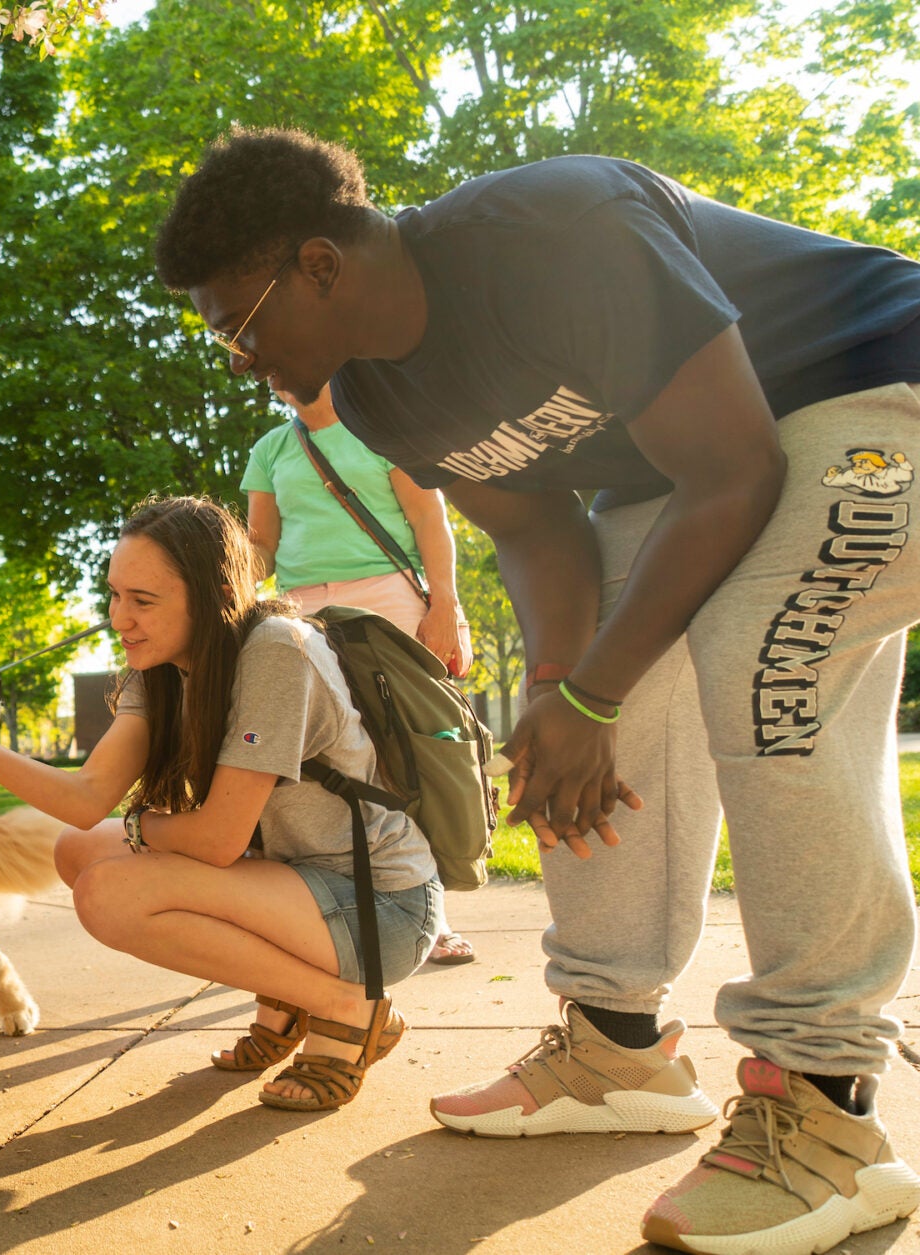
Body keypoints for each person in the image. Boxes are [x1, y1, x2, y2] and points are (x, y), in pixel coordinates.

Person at [155, 127, 920, 1253]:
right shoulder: (375, 399)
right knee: (559, 722)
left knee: (761, 648)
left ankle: (825, 1103)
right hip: (682, 468)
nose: (238, 357)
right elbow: (536, 531)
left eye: (239, 323)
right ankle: (617, 1041)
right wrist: (563, 693)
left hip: (870, 385)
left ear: (317, 264)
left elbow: (737, 471)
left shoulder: (555, 231)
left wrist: (595, 692)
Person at [0, 496, 443, 1111]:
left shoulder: (276, 649)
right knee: (77, 850)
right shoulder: (162, 665)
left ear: (215, 593)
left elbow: (218, 839)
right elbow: (85, 800)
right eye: (115, 595)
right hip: (296, 886)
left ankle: (349, 1006)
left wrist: (142, 830)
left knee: (111, 894)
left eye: (143, 600)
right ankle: (291, 996)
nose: (120, 619)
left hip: (380, 906)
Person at [246, 385, 477, 966]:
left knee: (405, 749)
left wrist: (445, 604)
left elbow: (429, 514)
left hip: (387, 598)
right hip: (298, 610)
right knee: (329, 763)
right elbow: (260, 546)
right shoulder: (270, 449)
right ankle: (346, 892)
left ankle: (433, 914)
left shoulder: (381, 424)